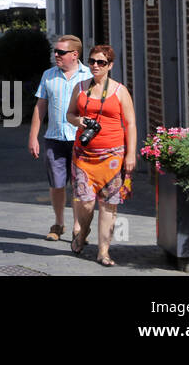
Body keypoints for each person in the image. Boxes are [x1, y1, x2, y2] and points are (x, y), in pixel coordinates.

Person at [67, 45, 137, 267]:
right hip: (83, 155)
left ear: (110, 65)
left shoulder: (119, 91)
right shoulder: (79, 87)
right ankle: (82, 232)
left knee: (108, 205)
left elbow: (131, 124)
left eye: (101, 62)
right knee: (85, 202)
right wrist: (79, 121)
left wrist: (131, 154)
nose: (95, 66)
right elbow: (70, 114)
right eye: (92, 61)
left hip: (113, 156)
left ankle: (103, 252)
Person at [28, 34, 92, 241]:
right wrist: (33, 137)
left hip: (80, 139)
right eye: (55, 51)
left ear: (74, 55)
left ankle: (76, 226)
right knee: (56, 184)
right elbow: (40, 107)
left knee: (77, 184)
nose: (56, 55)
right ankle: (59, 223)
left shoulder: (89, 76)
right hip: (54, 138)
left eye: (61, 52)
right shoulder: (49, 75)